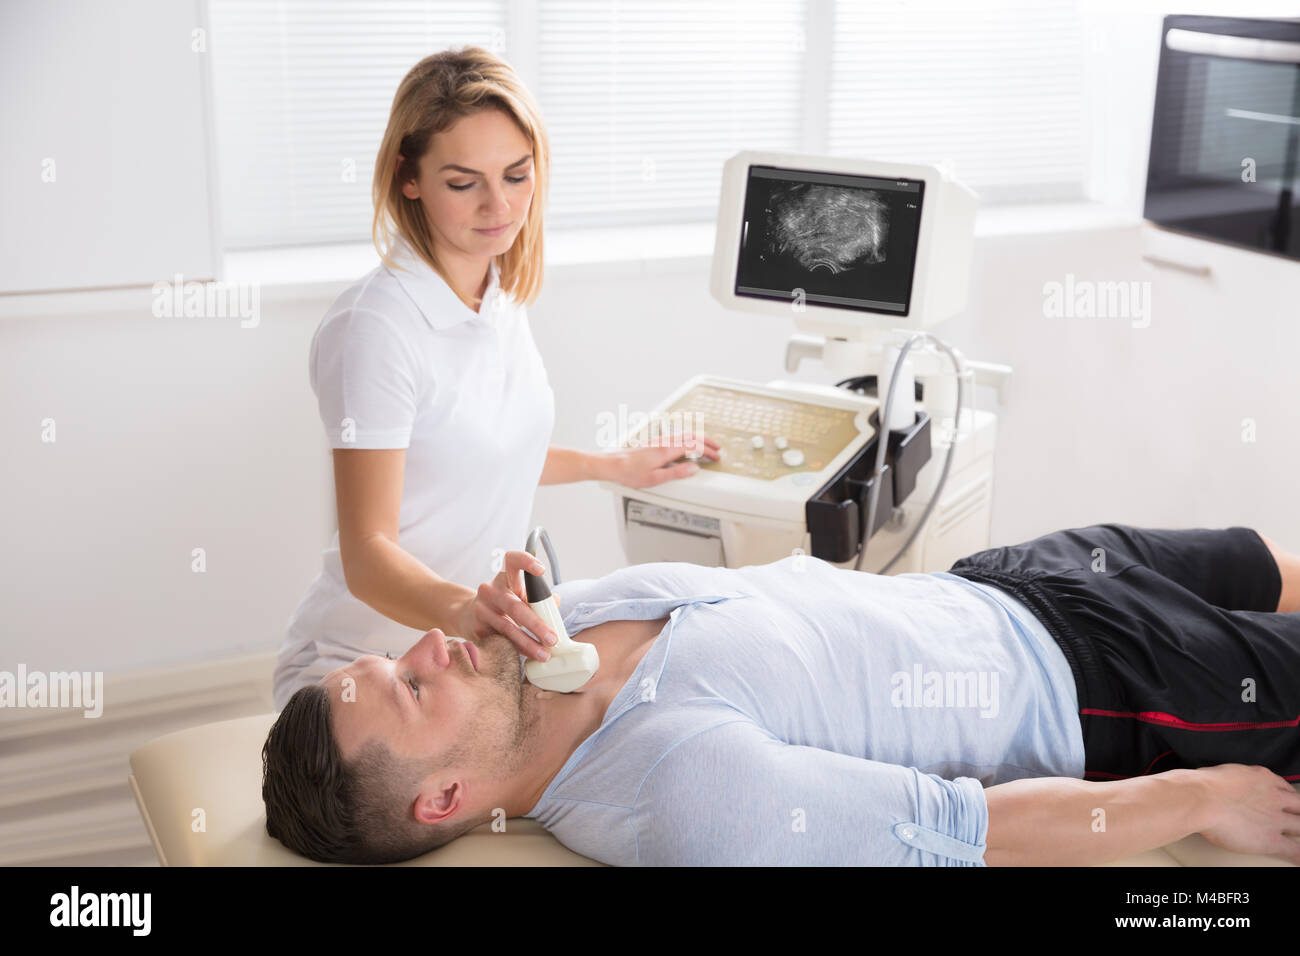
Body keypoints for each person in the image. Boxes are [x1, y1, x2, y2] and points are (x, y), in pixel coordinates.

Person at [261, 523, 1300, 866]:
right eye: (406, 686)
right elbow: (963, 830)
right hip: (1110, 685)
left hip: (1005, 578)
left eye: (402, 652)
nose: (431, 645)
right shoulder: (679, 788)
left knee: (1259, 556)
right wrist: (1202, 798)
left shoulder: (537, 648)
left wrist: (522, 607)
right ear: (441, 799)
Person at [273, 46, 717, 709]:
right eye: (463, 182)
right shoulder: (376, 329)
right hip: (368, 671)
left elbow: (482, 454)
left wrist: (613, 465)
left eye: (517, 175)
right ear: (408, 177)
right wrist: (465, 610)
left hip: (466, 652)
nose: (498, 206)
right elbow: (368, 552)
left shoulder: (497, 288)